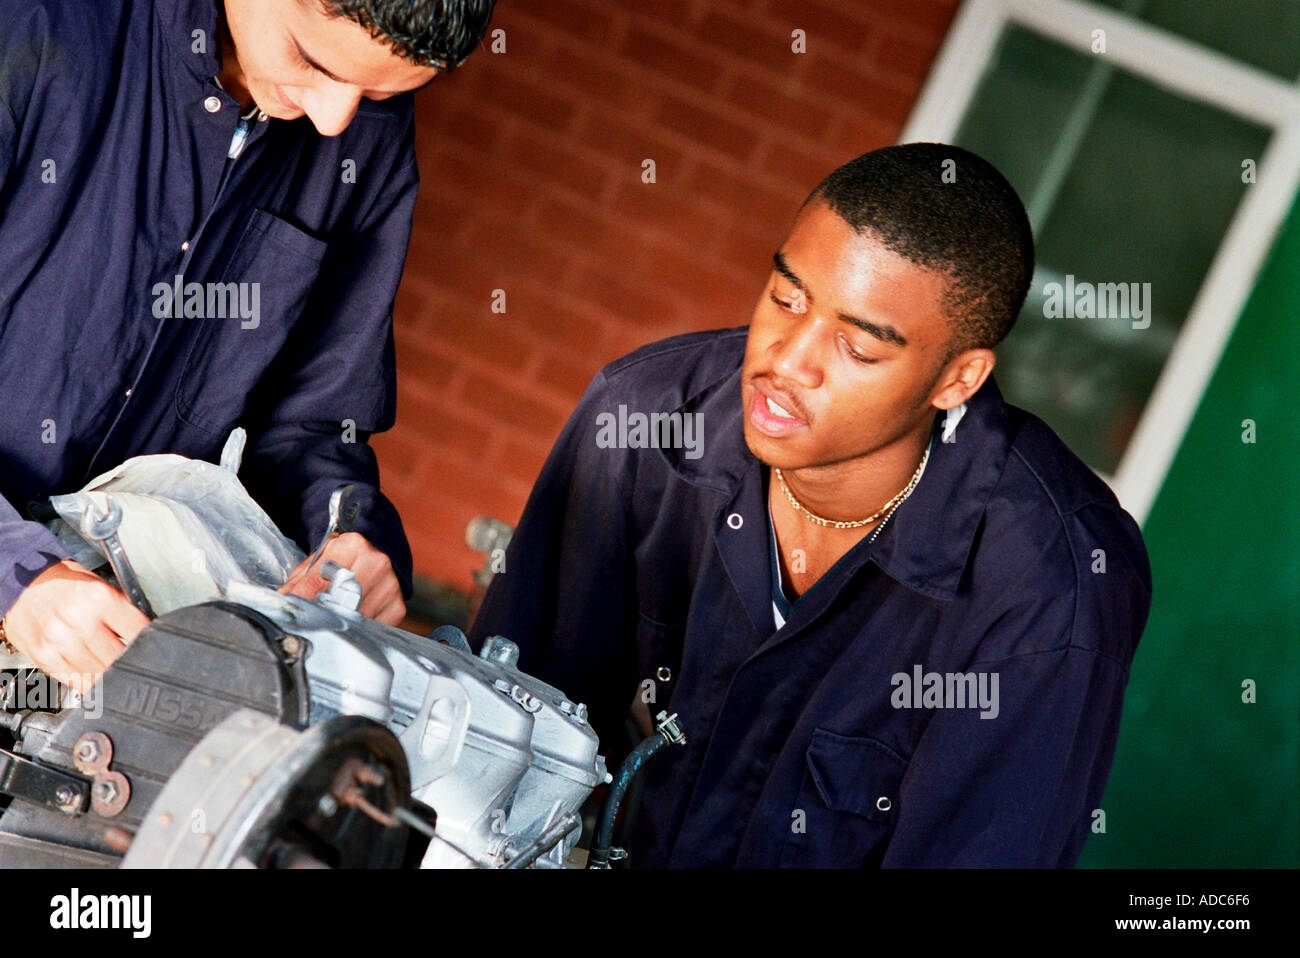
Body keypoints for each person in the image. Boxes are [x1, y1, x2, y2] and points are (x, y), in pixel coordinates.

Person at [468, 143, 1153, 868]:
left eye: (857, 348)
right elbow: (495, 749)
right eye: (785, 299)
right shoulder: (647, 421)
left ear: (958, 378)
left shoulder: (1052, 588)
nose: (786, 362)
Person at [0, 0, 495, 692]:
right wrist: (14, 572)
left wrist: (352, 535)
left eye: (379, 93)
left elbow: (313, 425)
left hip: (95, 671)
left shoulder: (361, 133)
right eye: (313, 61)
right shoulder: (37, 26)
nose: (333, 120)